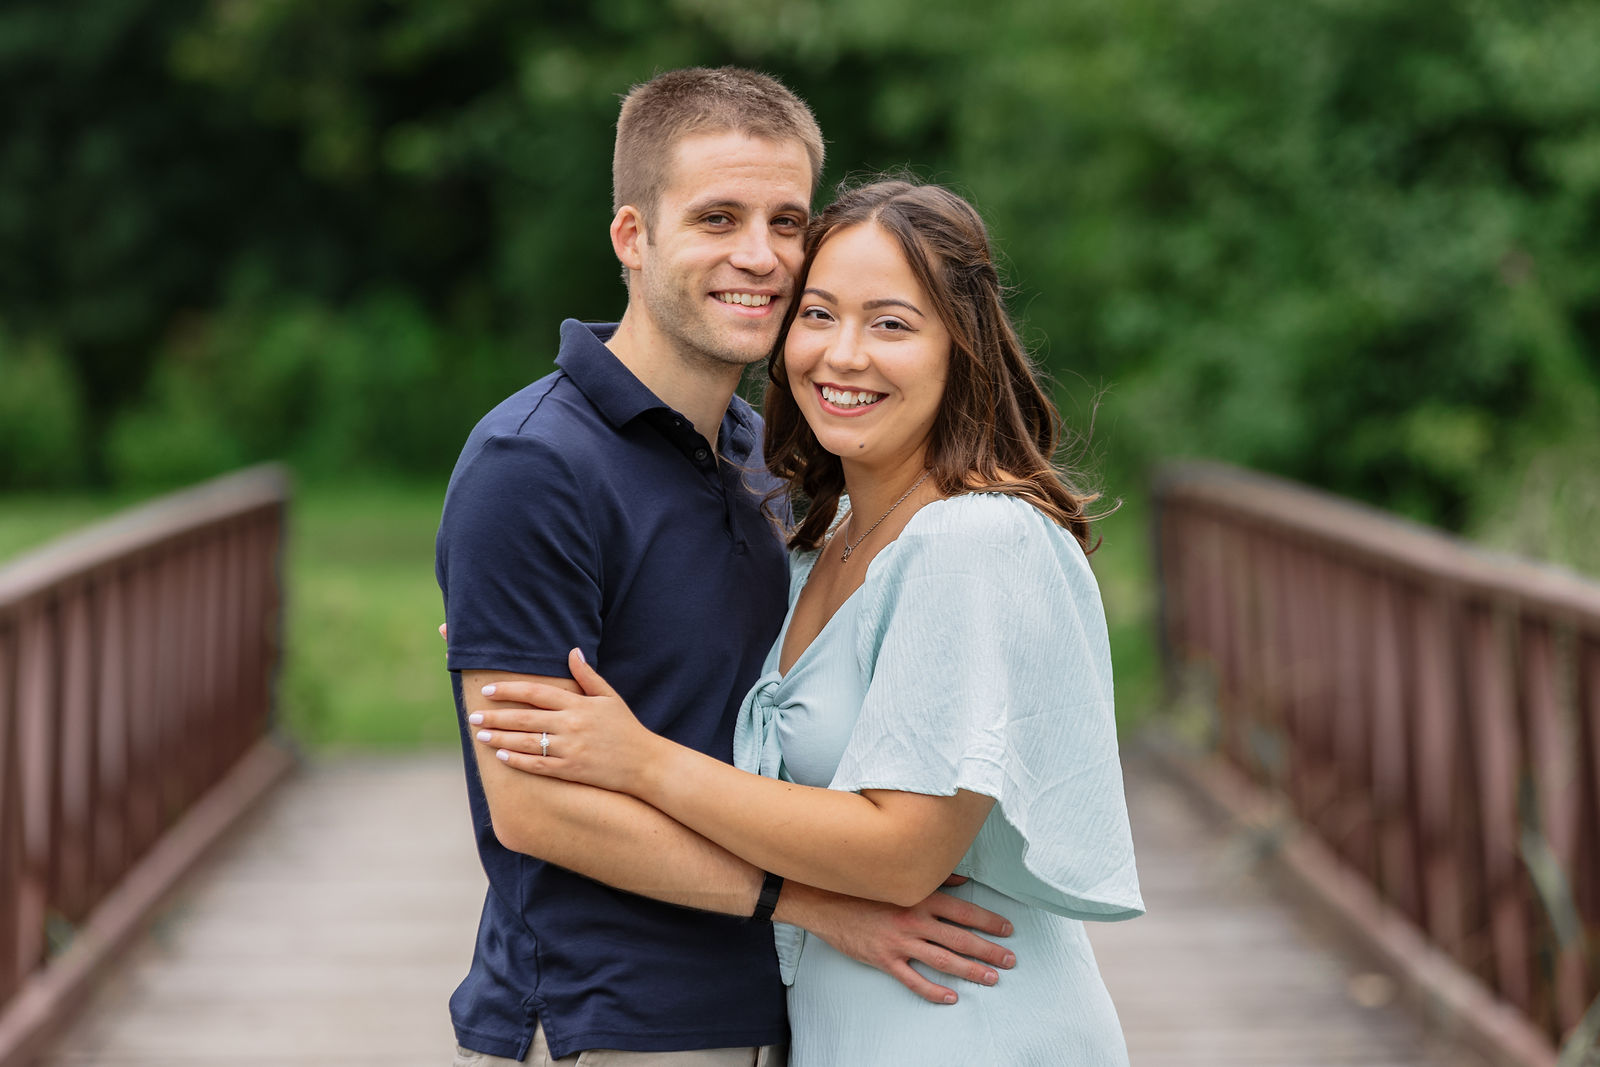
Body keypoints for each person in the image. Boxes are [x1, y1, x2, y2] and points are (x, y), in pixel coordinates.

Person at [468, 179, 1145, 1066]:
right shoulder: (814, 537)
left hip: (966, 1019)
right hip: (846, 1024)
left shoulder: (972, 539)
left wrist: (640, 759)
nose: (843, 354)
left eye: (892, 324)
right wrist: (506, 624)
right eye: (818, 314)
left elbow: (902, 853)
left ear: (961, 350)